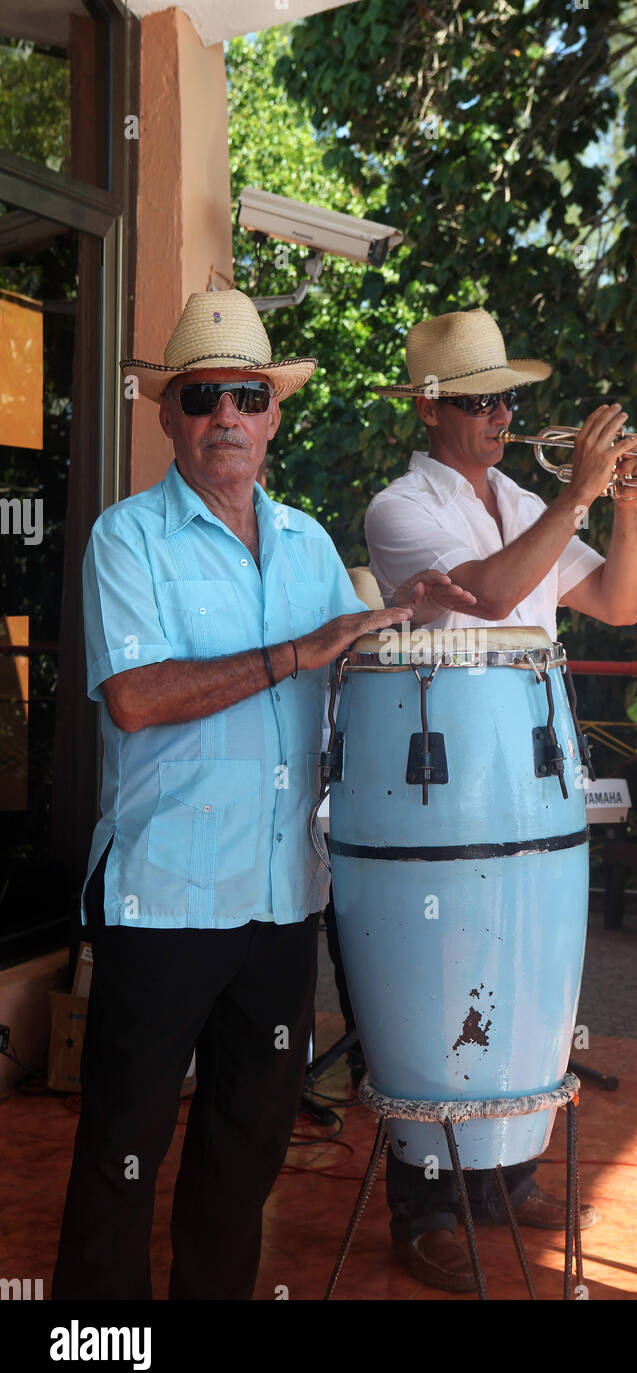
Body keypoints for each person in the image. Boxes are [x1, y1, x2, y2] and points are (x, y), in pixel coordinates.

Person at [51, 289, 474, 1301]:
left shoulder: (306, 544)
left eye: (246, 395)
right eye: (202, 399)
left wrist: (404, 619)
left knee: (243, 1159)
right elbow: (137, 699)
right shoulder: (126, 539)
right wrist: (301, 648)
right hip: (164, 900)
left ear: (274, 412)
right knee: (121, 1156)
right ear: (168, 414)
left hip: (282, 900)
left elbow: (356, 668)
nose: (225, 417)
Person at [363, 306, 637, 1292]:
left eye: (506, 398)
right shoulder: (399, 508)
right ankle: (424, 1204)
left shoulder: (525, 497)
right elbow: (486, 595)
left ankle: (502, 1174)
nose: (501, 414)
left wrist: (617, 504)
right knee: (435, 968)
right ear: (434, 409)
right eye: (482, 399)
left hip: (525, 766)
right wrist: (571, 496)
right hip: (438, 770)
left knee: (518, 955)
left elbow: (617, 603)